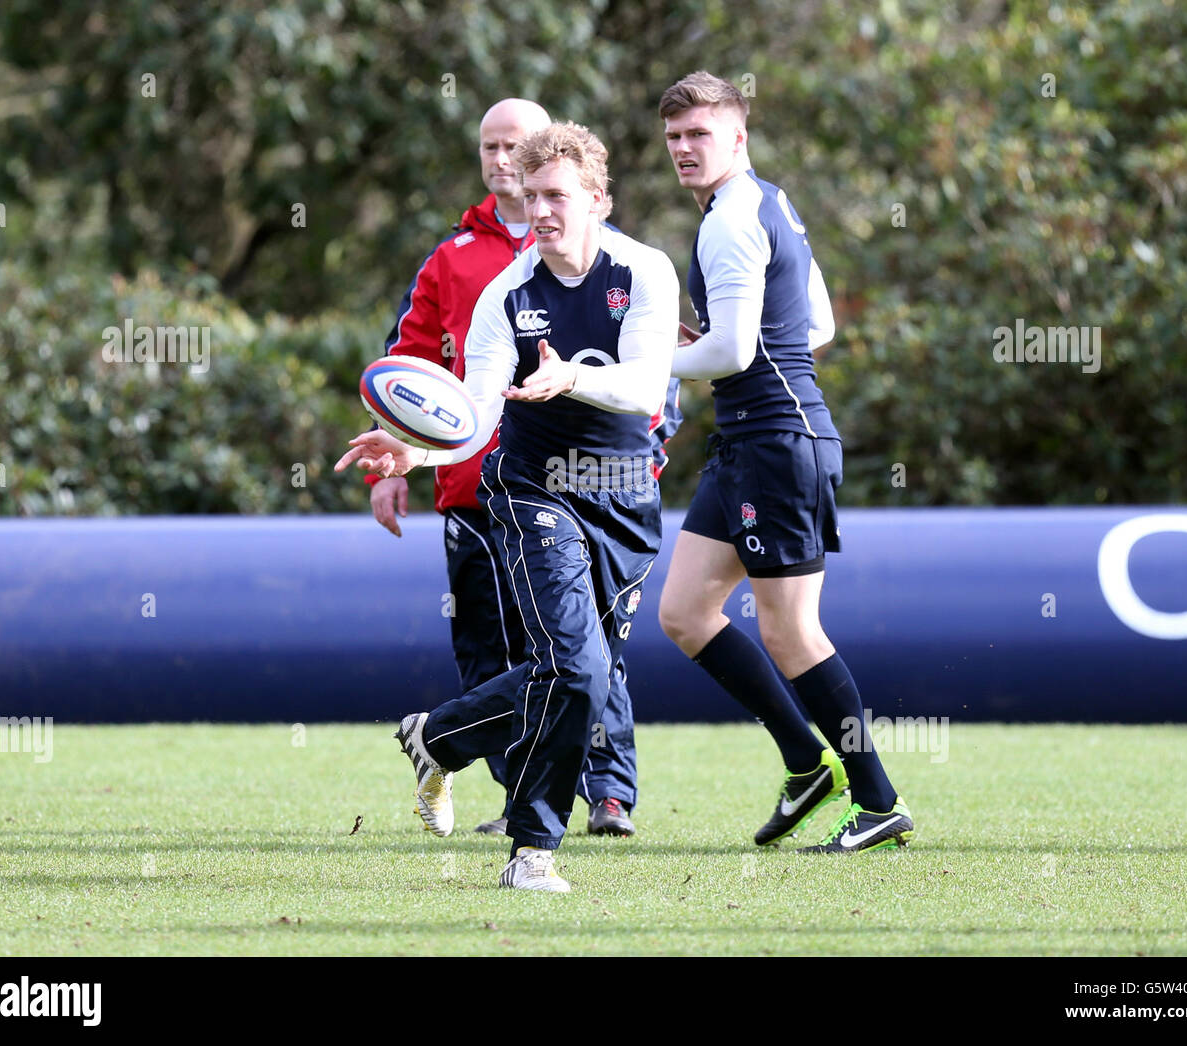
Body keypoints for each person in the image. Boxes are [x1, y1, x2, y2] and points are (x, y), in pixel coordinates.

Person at [337, 121, 678, 890]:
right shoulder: (506, 294)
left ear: (598, 199)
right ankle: (532, 851)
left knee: (573, 674)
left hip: (625, 496)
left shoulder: (646, 271)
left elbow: (645, 388)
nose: (542, 211)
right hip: (534, 490)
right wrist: (416, 451)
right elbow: (478, 417)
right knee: (577, 670)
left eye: (558, 196)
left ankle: (439, 738)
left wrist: (571, 380)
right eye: (532, 197)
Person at [656, 71, 914, 853]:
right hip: (747, 443)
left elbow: (733, 350)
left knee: (791, 632)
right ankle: (806, 764)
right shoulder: (769, 202)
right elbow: (821, 323)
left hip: (777, 445)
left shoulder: (729, 220)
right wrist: (711, 352)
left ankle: (877, 800)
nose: (683, 149)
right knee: (686, 614)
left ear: (738, 135)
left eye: (699, 134)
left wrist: (656, 361)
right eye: (673, 138)